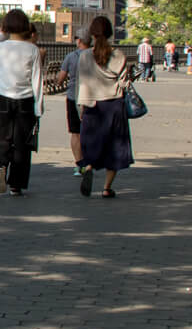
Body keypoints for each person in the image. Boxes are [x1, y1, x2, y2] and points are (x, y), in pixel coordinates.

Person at [0, 9, 43, 196]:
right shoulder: (32, 50)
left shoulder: (2, 47)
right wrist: (39, 107)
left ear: (6, 27)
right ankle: (17, 183)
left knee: (3, 137)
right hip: (25, 99)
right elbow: (37, 80)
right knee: (22, 142)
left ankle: (1, 167)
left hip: (3, 97)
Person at [76, 14, 135, 198]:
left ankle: (88, 166)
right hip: (114, 106)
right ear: (109, 33)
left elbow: (82, 82)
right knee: (114, 148)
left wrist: (81, 108)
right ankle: (107, 188)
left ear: (92, 34)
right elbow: (124, 84)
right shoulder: (118, 55)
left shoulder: (85, 56)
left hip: (92, 106)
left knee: (92, 143)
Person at [58, 32, 89, 171]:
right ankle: (89, 161)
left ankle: (79, 163)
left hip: (73, 96)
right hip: (92, 97)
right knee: (90, 131)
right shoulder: (95, 55)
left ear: (79, 41)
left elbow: (60, 78)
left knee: (75, 132)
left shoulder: (71, 57)